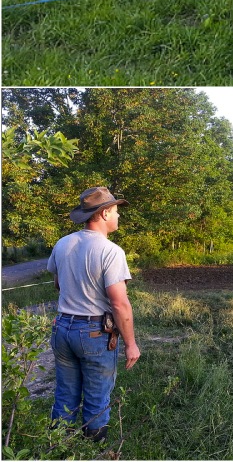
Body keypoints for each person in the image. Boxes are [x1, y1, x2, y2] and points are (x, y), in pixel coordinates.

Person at [48, 186, 141, 443]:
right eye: (115, 212)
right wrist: (131, 344)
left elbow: (58, 284)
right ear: (103, 214)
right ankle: (92, 451)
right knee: (97, 396)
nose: (118, 216)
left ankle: (58, 449)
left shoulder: (63, 243)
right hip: (93, 333)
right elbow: (119, 304)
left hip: (62, 327)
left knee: (65, 394)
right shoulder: (111, 251)